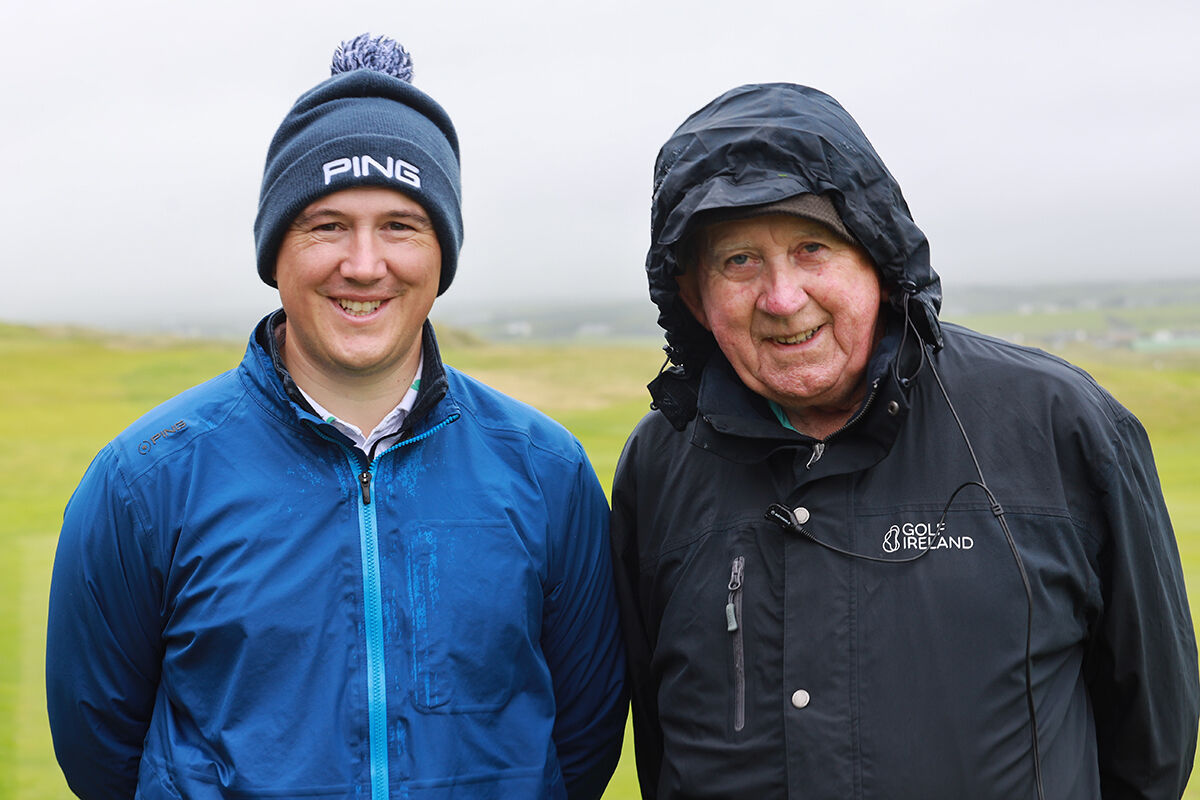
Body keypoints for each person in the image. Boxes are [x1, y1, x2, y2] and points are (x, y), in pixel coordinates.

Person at [46, 34, 626, 800]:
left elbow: (581, 741)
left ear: (441, 255)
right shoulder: (144, 481)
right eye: (326, 225)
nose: (362, 263)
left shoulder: (548, 473)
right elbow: (100, 748)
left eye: (400, 225)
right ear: (275, 251)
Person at [611, 82, 1199, 799]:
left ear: (880, 261)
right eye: (738, 261)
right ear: (694, 296)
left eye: (812, 247)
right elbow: (657, 734)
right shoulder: (659, 461)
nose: (782, 298)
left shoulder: (1061, 425)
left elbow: (1153, 744)